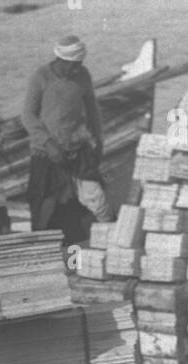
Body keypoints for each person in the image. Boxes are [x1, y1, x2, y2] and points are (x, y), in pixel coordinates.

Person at [22, 35, 112, 244]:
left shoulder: (83, 76)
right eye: (72, 66)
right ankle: (43, 248)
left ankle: (110, 240)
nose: (76, 70)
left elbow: (92, 110)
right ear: (60, 60)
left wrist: (98, 140)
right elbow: (28, 115)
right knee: (46, 204)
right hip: (46, 154)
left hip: (77, 150)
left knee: (97, 198)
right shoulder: (41, 77)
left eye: (79, 65)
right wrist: (47, 142)